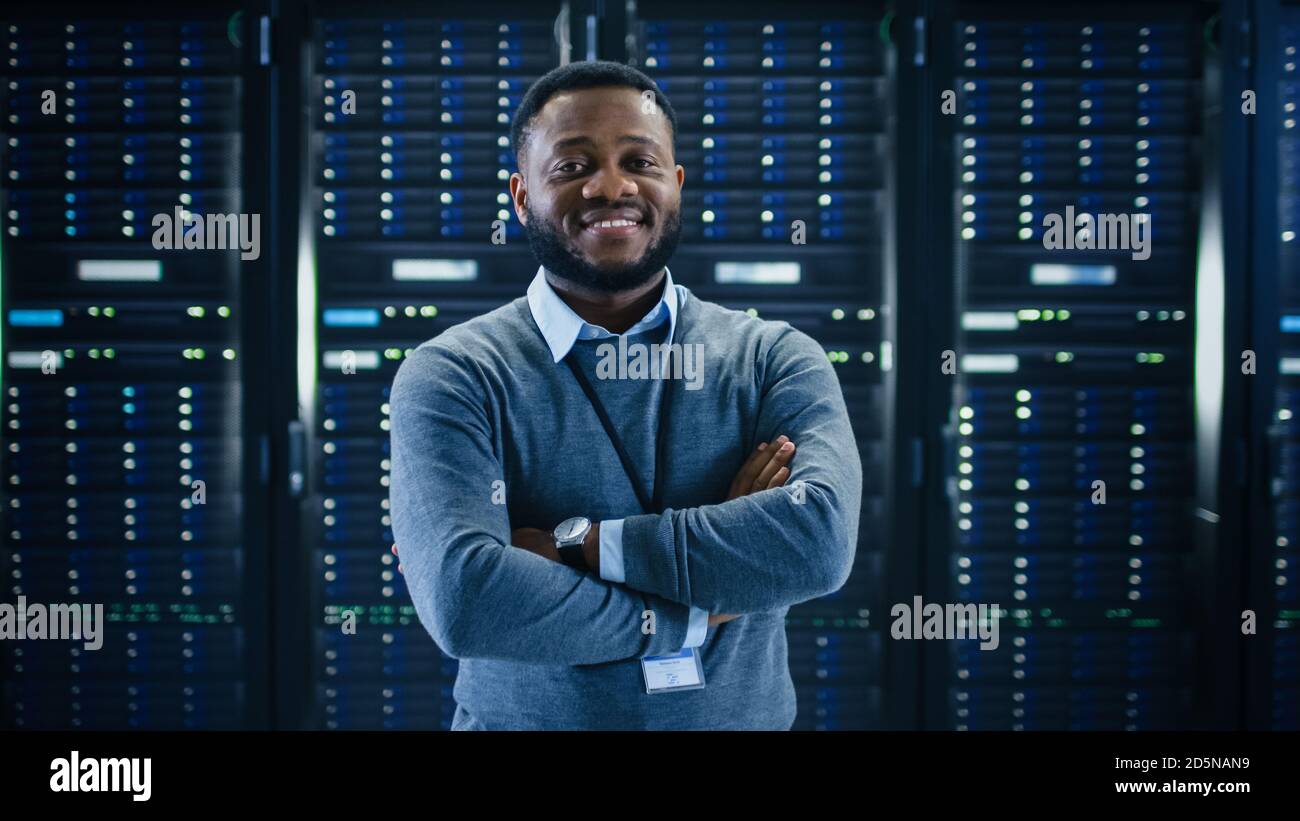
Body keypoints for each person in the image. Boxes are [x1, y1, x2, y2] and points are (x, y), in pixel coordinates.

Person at [388, 60, 862, 730]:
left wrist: (580, 546)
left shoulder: (774, 358)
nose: (610, 186)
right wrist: (702, 604)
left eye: (638, 161)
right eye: (573, 166)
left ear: (675, 184)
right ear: (522, 197)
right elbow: (469, 599)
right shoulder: (453, 376)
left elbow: (815, 543)